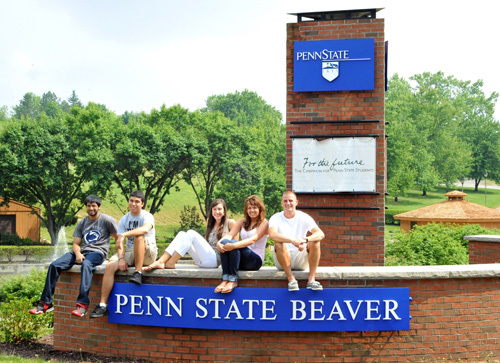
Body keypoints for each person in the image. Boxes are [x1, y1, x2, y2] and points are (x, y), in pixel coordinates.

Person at [29, 195, 118, 317]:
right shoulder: (82, 223)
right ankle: (45, 303)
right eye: (88, 206)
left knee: (86, 265)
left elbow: (118, 238)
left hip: (98, 253)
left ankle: (82, 305)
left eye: (93, 206)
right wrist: (78, 254)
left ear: (99, 207)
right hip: (82, 252)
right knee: (54, 265)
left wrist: (119, 256)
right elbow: (76, 244)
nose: (91, 208)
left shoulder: (107, 220)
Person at [89, 190, 157, 318]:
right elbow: (119, 243)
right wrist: (121, 258)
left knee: (139, 235)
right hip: (131, 252)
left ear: (142, 204)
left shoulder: (147, 216)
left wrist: (124, 234)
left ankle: (138, 273)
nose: (133, 204)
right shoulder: (124, 219)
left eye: (137, 201)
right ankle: (103, 306)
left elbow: (145, 229)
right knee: (109, 266)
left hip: (148, 253)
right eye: (131, 201)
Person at [143, 198, 235, 271]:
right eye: (214, 209)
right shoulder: (209, 223)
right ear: (211, 211)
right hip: (203, 260)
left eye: (219, 209)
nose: (217, 212)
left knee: (191, 233)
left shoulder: (230, 223)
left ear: (224, 211)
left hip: (215, 260)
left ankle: (170, 262)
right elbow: (206, 243)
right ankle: (161, 261)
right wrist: (199, 255)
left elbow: (235, 244)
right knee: (182, 234)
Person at [268, 191, 325, 292]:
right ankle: (291, 279)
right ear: (282, 203)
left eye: (291, 200)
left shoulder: (304, 217)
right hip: (282, 258)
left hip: (301, 257)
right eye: (285, 201)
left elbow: (320, 234)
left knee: (315, 241)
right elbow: (272, 235)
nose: (288, 203)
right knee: (279, 243)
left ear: (296, 202)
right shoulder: (275, 217)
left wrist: (305, 240)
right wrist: (292, 240)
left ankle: (311, 280)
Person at [214, 195, 268, 294]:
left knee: (234, 244)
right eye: (249, 208)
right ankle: (225, 279)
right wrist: (219, 243)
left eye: (255, 207)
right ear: (246, 210)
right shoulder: (241, 222)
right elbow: (229, 235)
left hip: (255, 261)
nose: (252, 210)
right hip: (241, 260)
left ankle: (233, 280)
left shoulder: (264, 223)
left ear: (260, 208)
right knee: (225, 242)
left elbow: (253, 239)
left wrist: (234, 245)